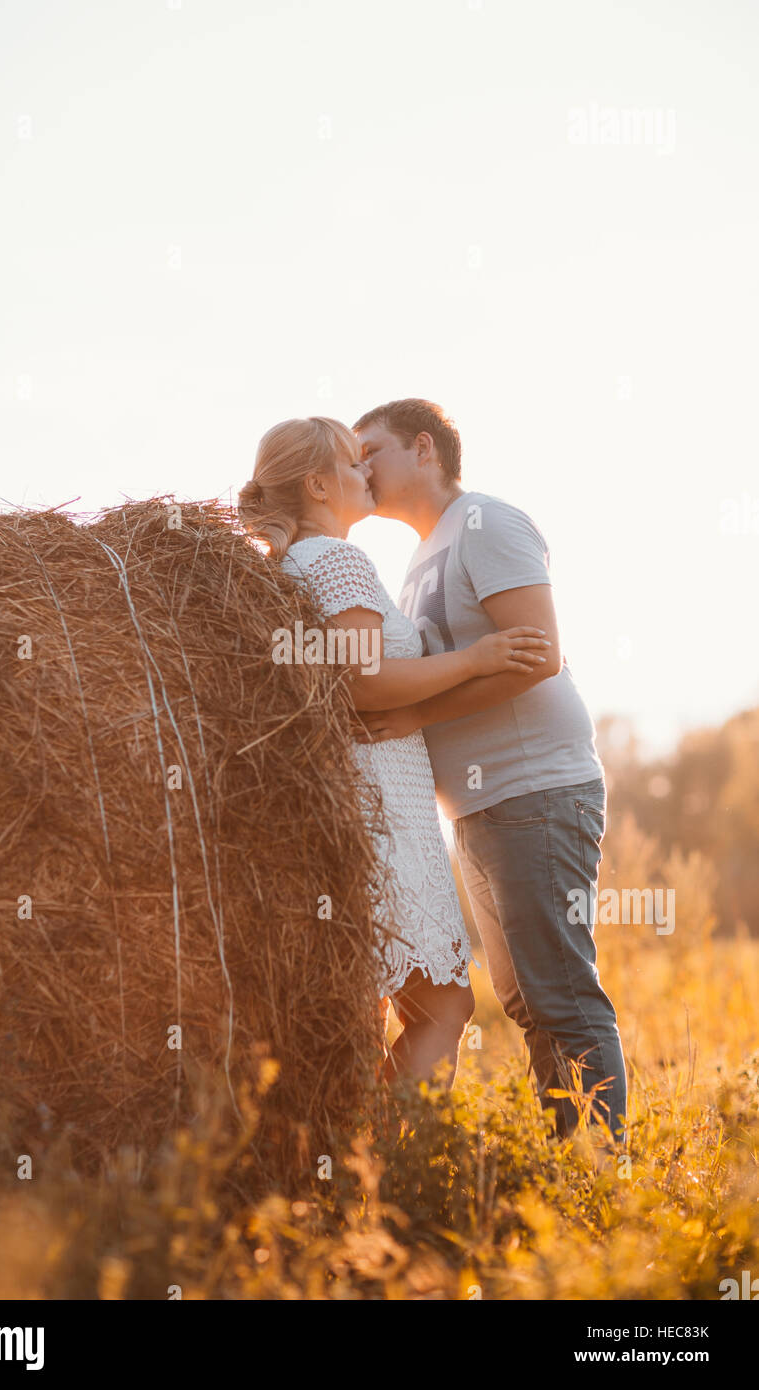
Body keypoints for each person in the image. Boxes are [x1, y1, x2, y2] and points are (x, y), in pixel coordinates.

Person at [237, 416, 549, 1088]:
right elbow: (364, 679)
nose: (366, 475)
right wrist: (478, 657)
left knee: (367, 1008)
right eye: (354, 465)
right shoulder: (339, 559)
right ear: (320, 485)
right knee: (445, 1007)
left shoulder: (287, 564)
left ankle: (355, 1159)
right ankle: (387, 1158)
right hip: (381, 805)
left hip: (350, 801)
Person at [353, 398, 627, 1141]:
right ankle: (575, 1158)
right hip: (480, 807)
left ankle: (603, 1170)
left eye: (370, 450)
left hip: (534, 787)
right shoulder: (419, 558)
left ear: (423, 449)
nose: (359, 467)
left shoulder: (487, 523)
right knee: (526, 998)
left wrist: (415, 717)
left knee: (561, 994)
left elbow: (537, 654)